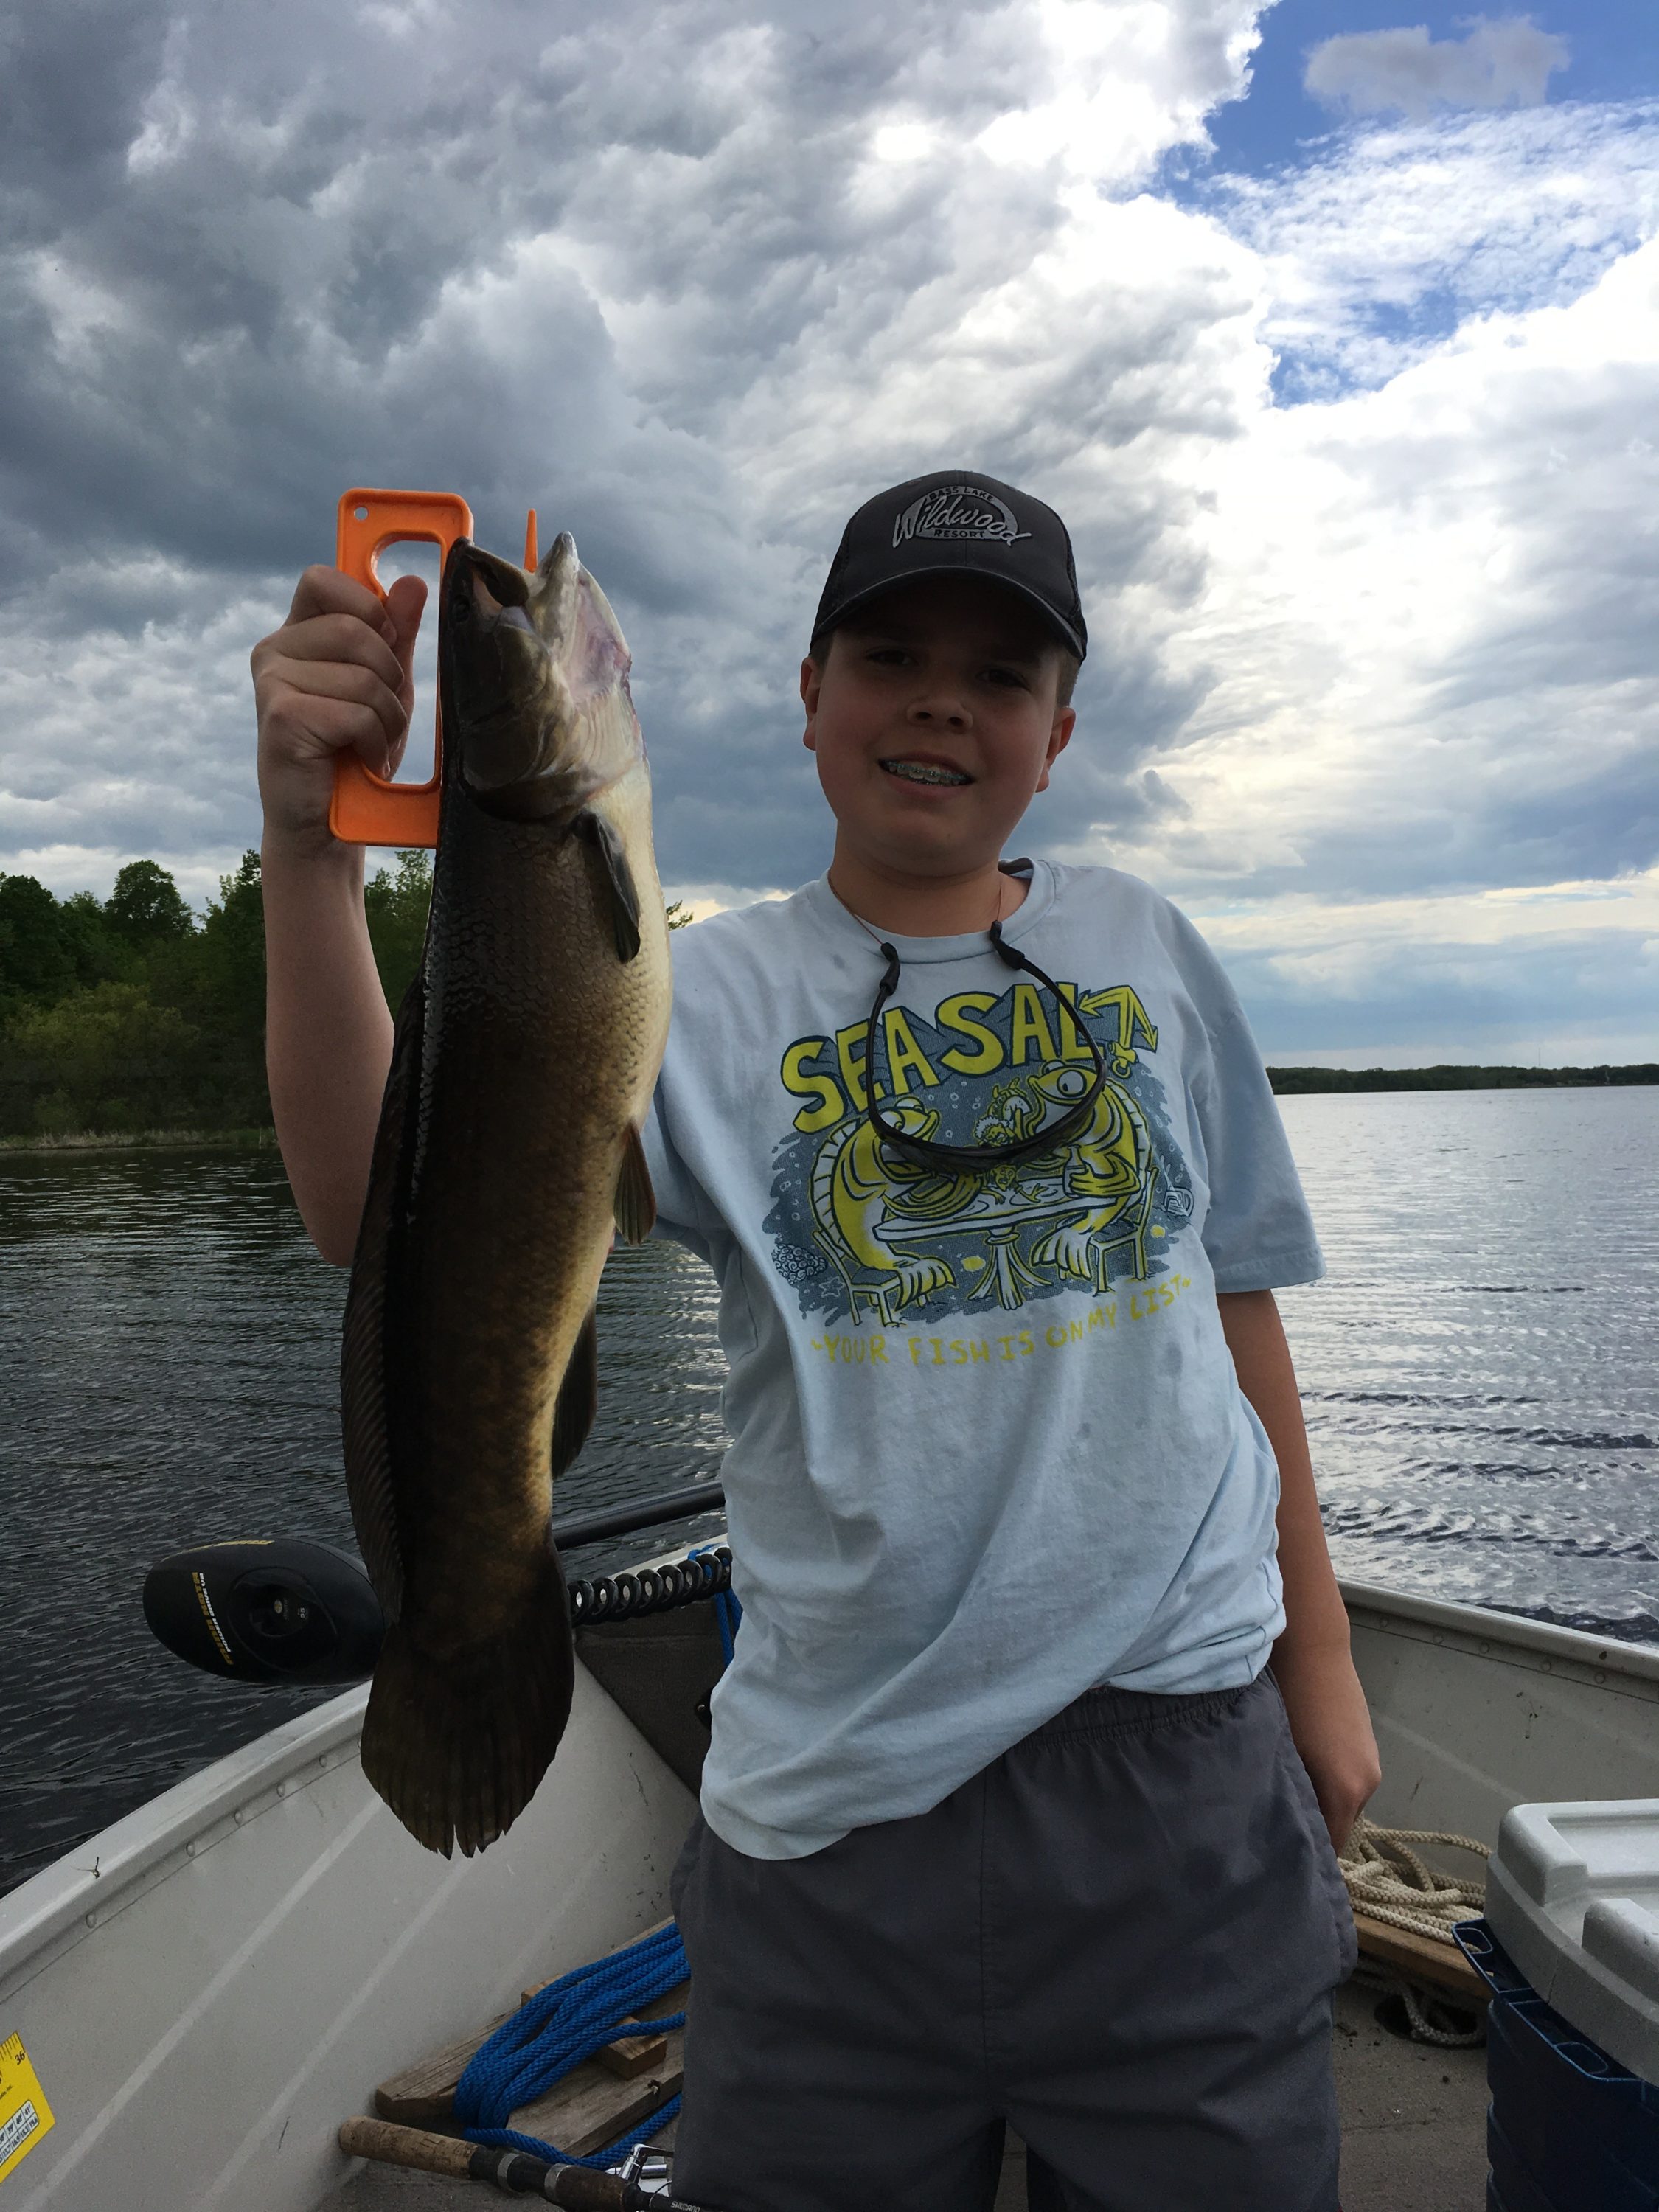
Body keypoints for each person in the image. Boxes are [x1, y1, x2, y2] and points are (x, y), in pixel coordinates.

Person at [251, 469, 1379, 2212]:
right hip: (828, 1822)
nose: (941, 696)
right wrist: (309, 855)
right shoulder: (699, 994)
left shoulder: (1149, 951)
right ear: (806, 695)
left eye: (1000, 674)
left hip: (1179, 1783)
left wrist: (1325, 1668)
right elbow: (377, 1215)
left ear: (1058, 734)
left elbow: (1241, 1312)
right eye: (891, 650)